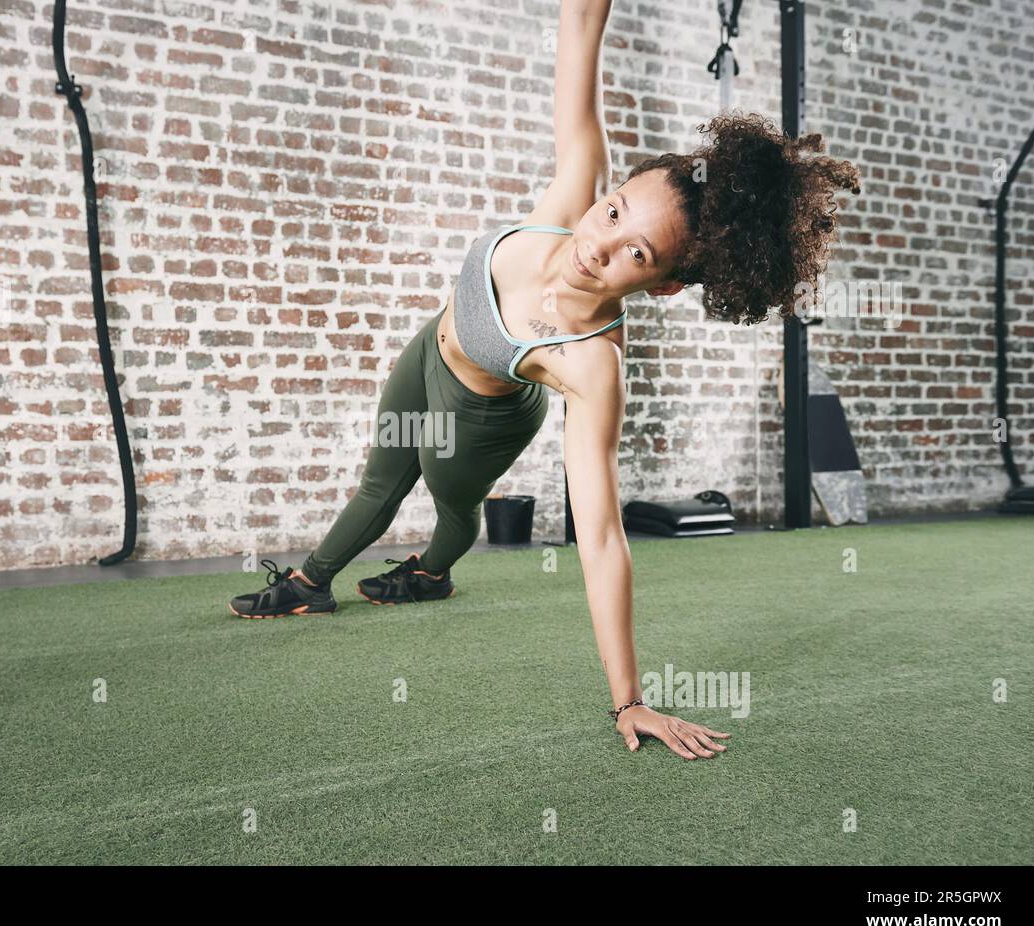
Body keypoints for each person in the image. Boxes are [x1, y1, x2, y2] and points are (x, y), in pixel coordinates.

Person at [229, 0, 861, 760]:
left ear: (659, 286)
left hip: (480, 412)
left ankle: (432, 570)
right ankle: (313, 583)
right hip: (429, 347)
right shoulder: (572, 198)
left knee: (450, 505)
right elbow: (579, 38)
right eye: (615, 211)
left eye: (637, 253)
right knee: (380, 476)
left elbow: (599, 534)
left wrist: (630, 698)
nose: (603, 243)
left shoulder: (591, 362)